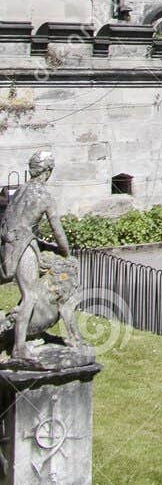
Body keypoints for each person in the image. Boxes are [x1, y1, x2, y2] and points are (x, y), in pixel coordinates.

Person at [0, 148, 76, 360]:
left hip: (8, 244)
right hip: (23, 246)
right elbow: (58, 231)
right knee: (30, 295)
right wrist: (65, 251)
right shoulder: (44, 196)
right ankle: (19, 347)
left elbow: (10, 218)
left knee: (15, 284)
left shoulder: (21, 190)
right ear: (48, 171)